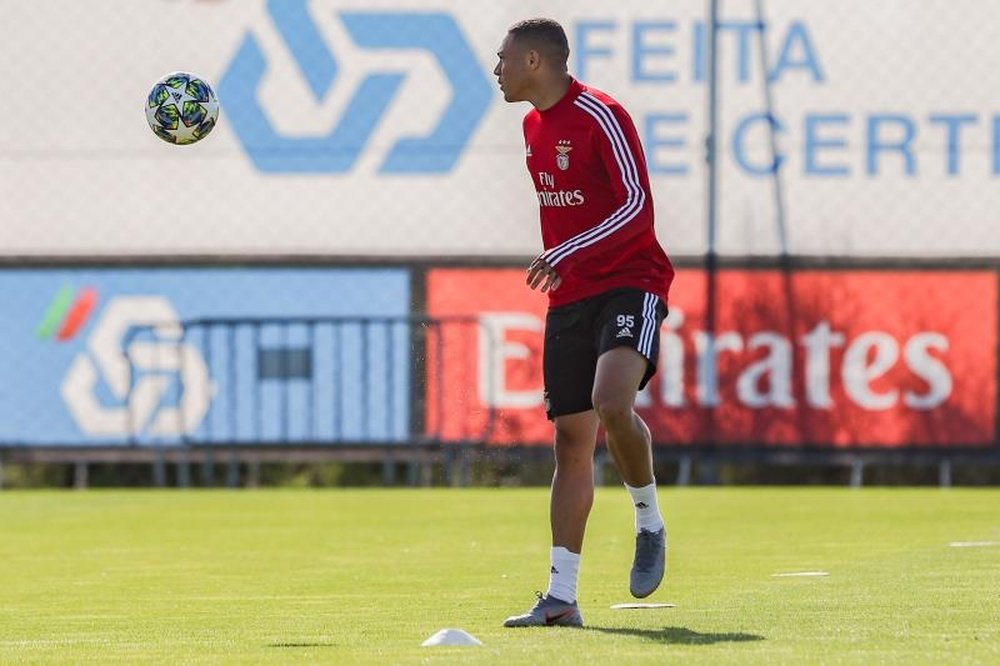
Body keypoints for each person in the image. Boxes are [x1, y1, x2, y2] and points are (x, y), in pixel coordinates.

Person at [495, 18, 676, 628]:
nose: (496, 70)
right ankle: (561, 598)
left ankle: (648, 520)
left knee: (610, 401)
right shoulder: (530, 126)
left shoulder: (602, 114)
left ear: (535, 62)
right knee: (570, 443)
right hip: (569, 296)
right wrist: (565, 262)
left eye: (504, 59)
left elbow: (635, 206)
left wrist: (566, 253)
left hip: (631, 281)